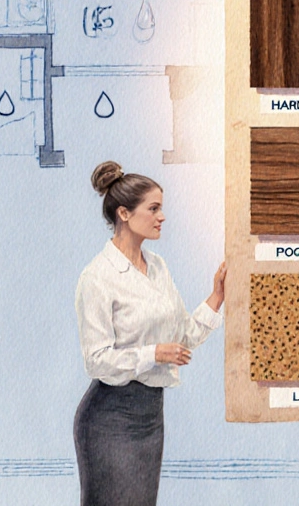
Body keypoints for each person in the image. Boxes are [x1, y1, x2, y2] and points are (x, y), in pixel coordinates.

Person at [73, 161, 227, 506]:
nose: (162, 217)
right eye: (153, 209)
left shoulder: (157, 267)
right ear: (124, 213)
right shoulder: (97, 277)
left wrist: (216, 296)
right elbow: (97, 361)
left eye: (162, 208)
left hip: (149, 419)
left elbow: (182, 336)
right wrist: (153, 354)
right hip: (108, 419)